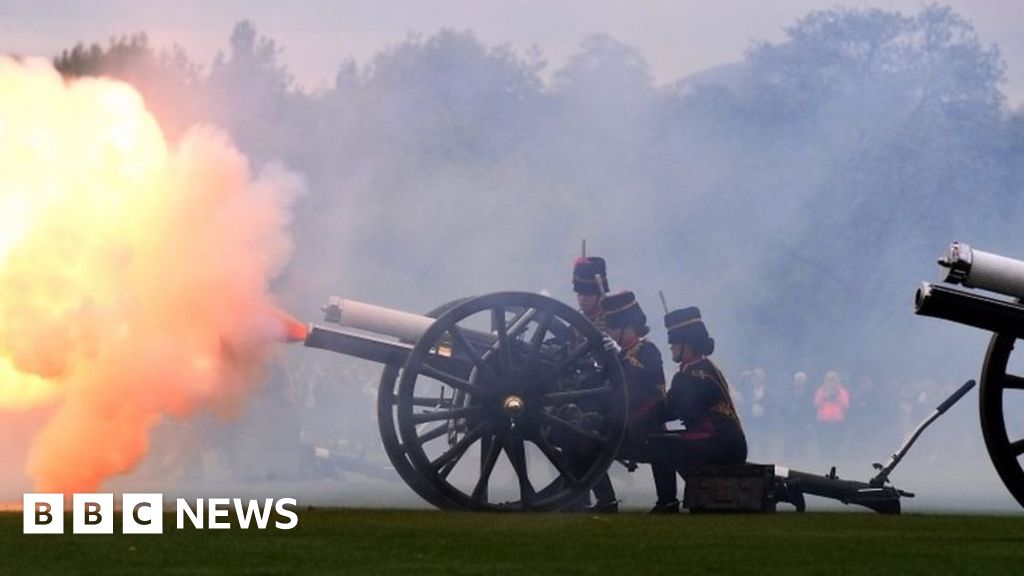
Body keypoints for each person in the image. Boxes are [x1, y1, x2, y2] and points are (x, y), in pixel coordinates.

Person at [650, 306, 747, 510]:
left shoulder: (690, 376)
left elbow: (669, 410)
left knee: (661, 445)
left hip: (719, 441)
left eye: (675, 343)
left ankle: (668, 501)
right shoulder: (703, 368)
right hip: (726, 440)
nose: (671, 348)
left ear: (688, 346)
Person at [600, 290, 678, 513]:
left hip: (646, 421)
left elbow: (649, 385)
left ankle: (668, 501)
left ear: (628, 326)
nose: (612, 334)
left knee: (661, 447)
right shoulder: (617, 355)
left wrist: (621, 357)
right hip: (621, 422)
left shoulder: (648, 349)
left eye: (614, 328)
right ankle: (605, 500)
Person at [566, 255, 618, 512]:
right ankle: (577, 496)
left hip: (606, 393)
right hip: (580, 388)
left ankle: (602, 498)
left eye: (587, 293)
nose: (582, 299)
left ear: (598, 292)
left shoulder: (614, 319)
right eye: (579, 293)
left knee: (580, 434)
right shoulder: (577, 321)